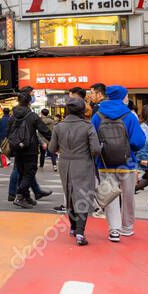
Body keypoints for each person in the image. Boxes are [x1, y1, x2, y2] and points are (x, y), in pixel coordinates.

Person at [91, 85, 146, 243]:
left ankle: (113, 230)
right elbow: (138, 141)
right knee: (128, 195)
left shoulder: (98, 115)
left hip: (105, 163)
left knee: (110, 196)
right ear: (122, 97)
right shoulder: (129, 115)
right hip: (127, 163)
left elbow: (93, 140)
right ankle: (127, 228)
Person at [47, 97, 101, 246]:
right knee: (82, 195)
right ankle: (80, 233)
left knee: (69, 194)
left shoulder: (59, 127)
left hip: (65, 163)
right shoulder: (88, 126)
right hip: (83, 163)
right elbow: (96, 149)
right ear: (83, 110)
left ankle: (72, 227)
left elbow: (52, 149)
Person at [8, 92, 51, 210]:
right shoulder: (33, 116)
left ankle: (26, 197)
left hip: (17, 149)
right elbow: (44, 130)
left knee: (22, 173)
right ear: (29, 102)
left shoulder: (13, 116)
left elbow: (8, 133)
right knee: (30, 172)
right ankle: (20, 195)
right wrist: (54, 142)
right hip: (30, 149)